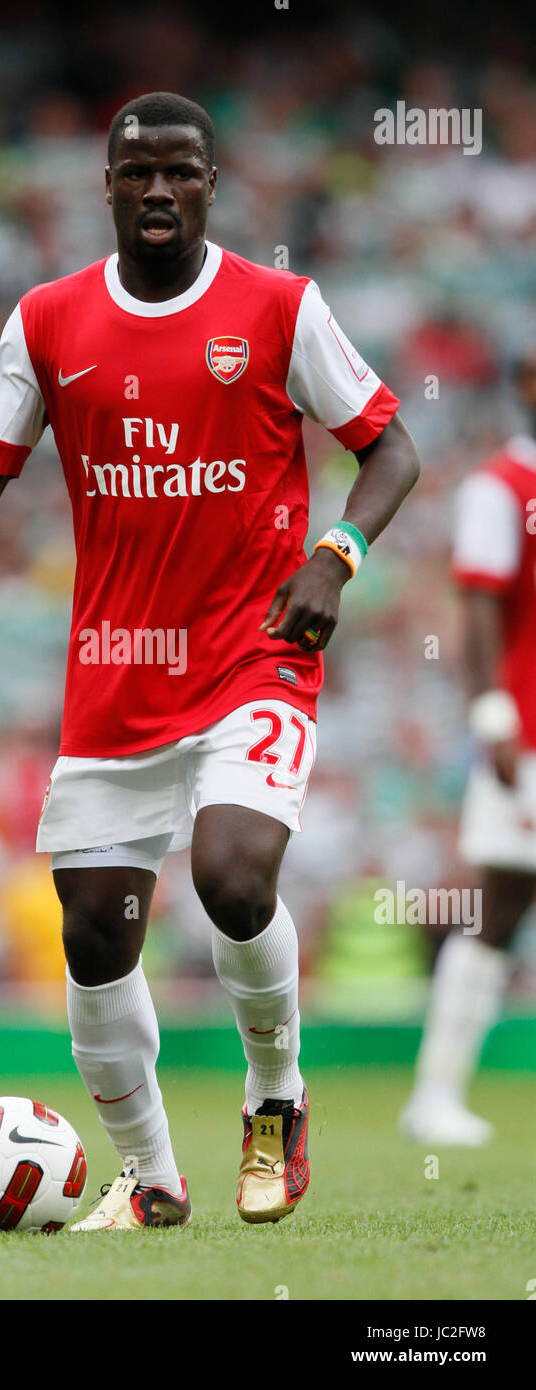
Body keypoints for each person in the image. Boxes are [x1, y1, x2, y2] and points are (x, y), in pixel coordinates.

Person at [0, 92, 420, 1230]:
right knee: (94, 931)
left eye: (181, 171)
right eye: (138, 174)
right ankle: (155, 1179)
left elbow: (390, 447)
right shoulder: (48, 320)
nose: (160, 191)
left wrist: (337, 554)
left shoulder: (278, 308)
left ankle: (276, 1100)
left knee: (232, 878)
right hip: (118, 672)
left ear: (214, 183)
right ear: (109, 187)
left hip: (253, 654)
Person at [401, 348, 536, 1146]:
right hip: (528, 727)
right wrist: (489, 711)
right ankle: (434, 1093)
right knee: (500, 900)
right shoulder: (503, 484)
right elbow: (479, 601)